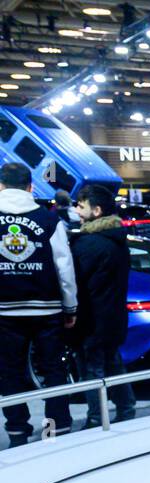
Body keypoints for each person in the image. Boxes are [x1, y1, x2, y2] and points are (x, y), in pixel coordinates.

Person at [0, 162, 77, 447]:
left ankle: (18, 431)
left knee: (9, 372)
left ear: (1, 185)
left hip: (5, 311)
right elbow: (64, 267)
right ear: (30, 186)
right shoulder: (49, 219)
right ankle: (56, 428)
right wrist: (70, 308)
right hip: (46, 308)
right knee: (53, 369)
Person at [71, 184, 134, 428]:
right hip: (114, 316)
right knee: (114, 364)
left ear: (96, 211)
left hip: (92, 318)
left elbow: (76, 282)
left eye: (81, 206)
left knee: (93, 370)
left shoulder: (88, 244)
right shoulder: (117, 239)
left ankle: (96, 417)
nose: (76, 210)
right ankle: (126, 409)